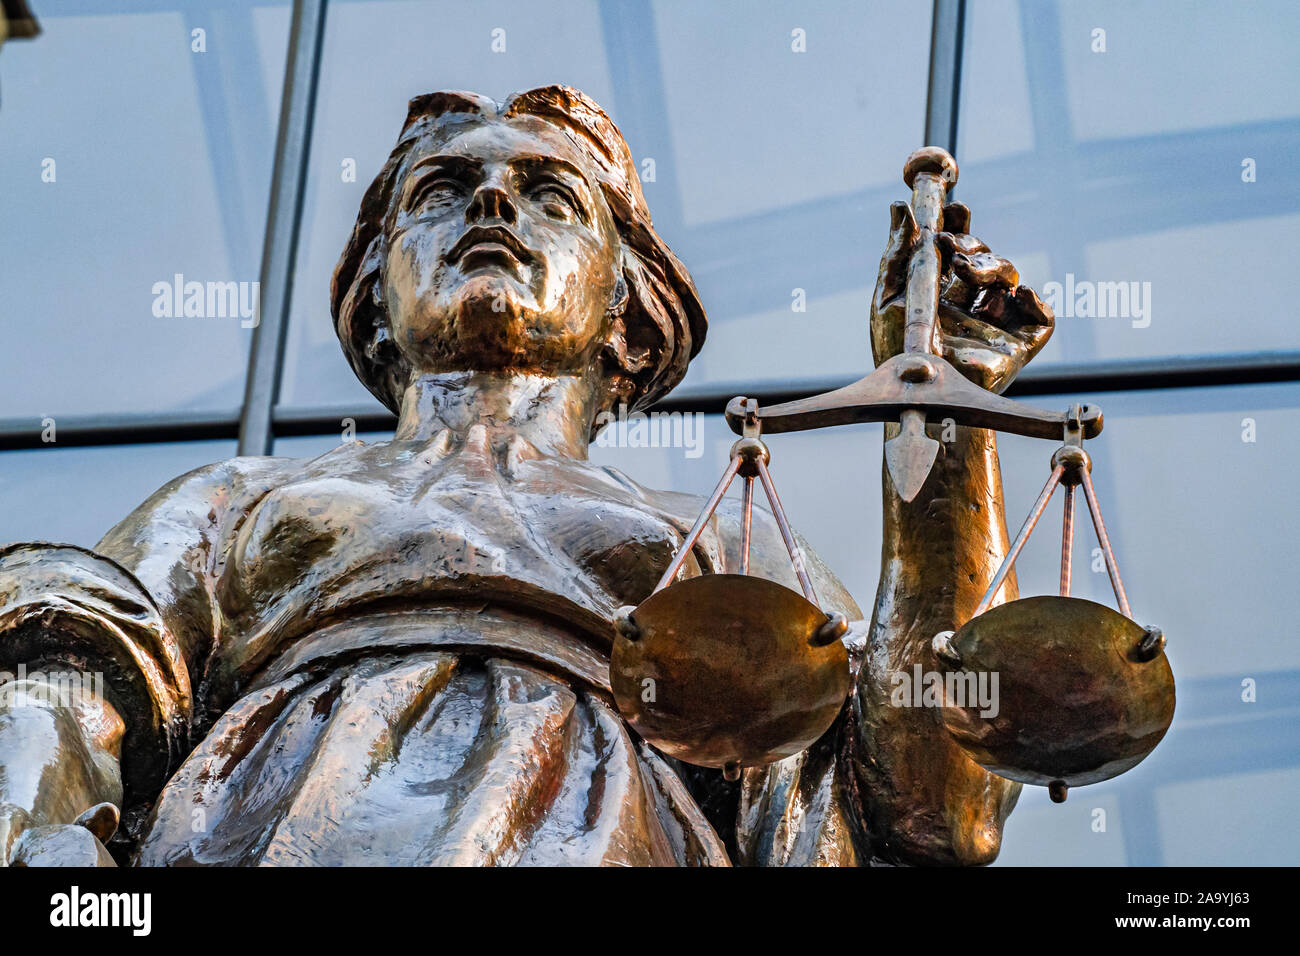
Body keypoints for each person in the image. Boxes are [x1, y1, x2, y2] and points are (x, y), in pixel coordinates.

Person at [0, 86, 1052, 866]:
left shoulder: (718, 541)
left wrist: (949, 414)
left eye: (551, 197)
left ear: (622, 302)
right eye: (443, 192)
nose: (493, 204)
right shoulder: (234, 500)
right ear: (375, 295)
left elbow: (928, 809)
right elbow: (60, 674)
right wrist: (42, 842)